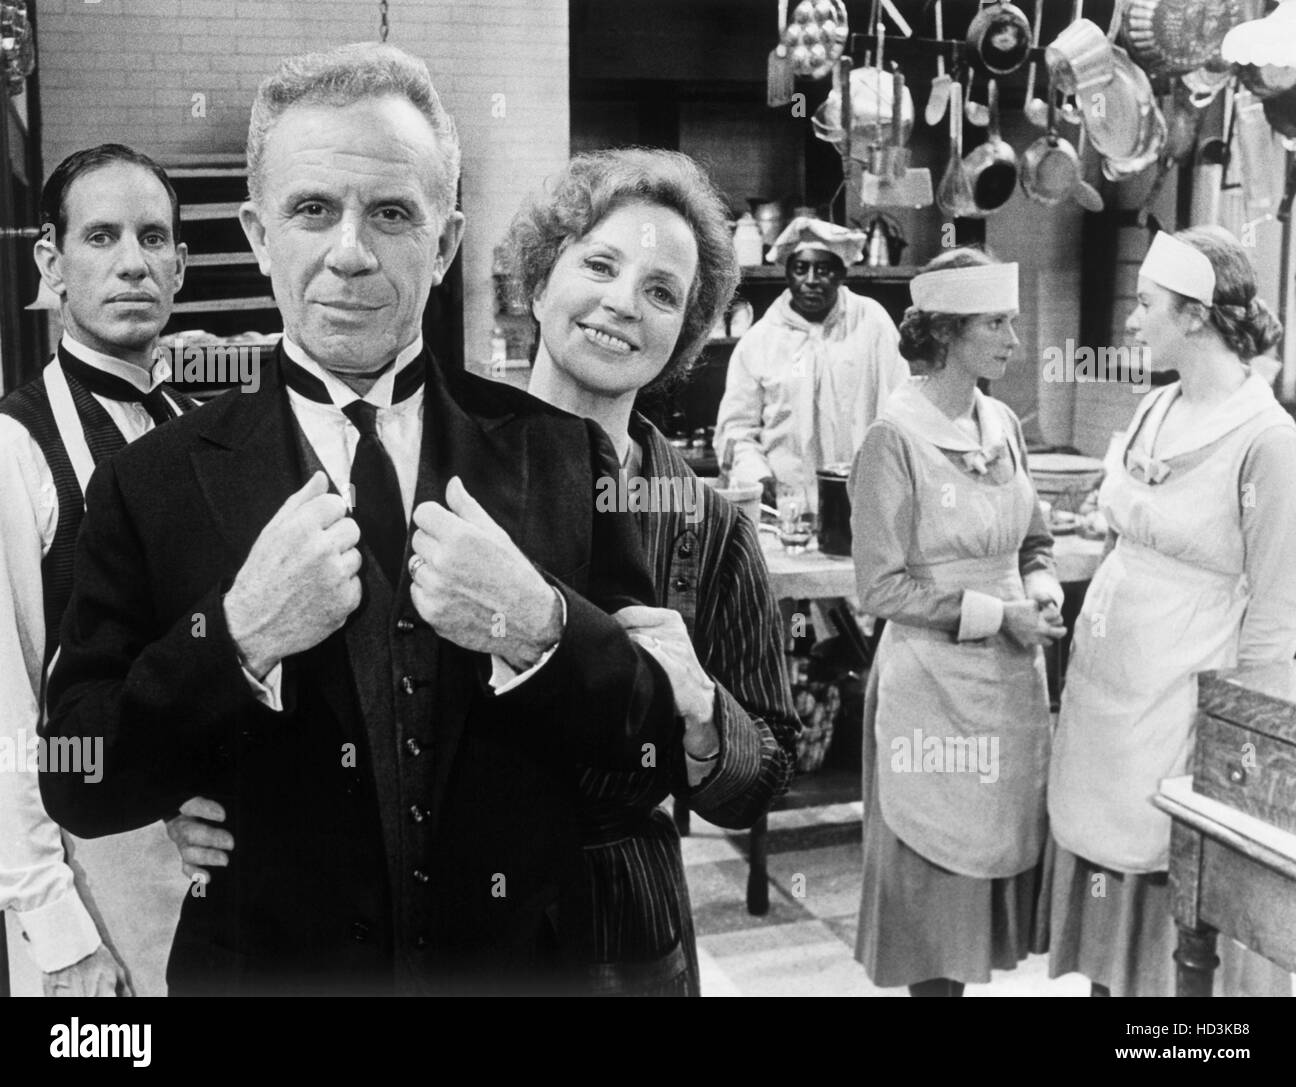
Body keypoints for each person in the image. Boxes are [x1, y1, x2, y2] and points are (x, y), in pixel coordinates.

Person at [39, 43, 680, 997]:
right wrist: (236, 639)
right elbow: (80, 775)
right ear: (259, 235)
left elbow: (653, 745)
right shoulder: (150, 481)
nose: (349, 251)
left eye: (390, 213)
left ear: (448, 239)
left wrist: (542, 628)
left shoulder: (560, 456)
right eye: (311, 211)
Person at [509, 148, 799, 994]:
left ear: (684, 336)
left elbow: (762, 774)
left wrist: (704, 708)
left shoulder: (709, 532)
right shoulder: (431, 477)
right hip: (452, 921)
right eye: (599, 264)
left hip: (627, 926)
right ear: (538, 283)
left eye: (661, 291)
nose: (622, 303)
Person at [1045, 227, 1296, 997]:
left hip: (1184, 707)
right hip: (1110, 702)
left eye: (1145, 304)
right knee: (1110, 883)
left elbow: (1279, 613)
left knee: (1177, 910)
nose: (1130, 319)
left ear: (1195, 316)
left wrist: (1238, 752)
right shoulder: (1156, 404)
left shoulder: (1267, 441)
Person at [0, 144, 193, 997]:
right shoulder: (13, 446)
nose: (132, 263)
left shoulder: (202, 425)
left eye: (153, 238)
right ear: (52, 260)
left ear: (181, 266)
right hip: (90, 878)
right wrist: (56, 929)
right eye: (103, 236)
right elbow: (4, 710)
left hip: (216, 863)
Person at [850, 248, 1065, 997]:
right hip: (931, 689)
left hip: (1006, 686)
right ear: (945, 331)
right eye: (995, 322)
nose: (1014, 337)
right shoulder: (893, 437)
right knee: (934, 900)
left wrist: (1040, 588)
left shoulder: (1001, 421)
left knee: (981, 884)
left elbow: (1034, 538)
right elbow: (880, 587)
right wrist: (997, 615)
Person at [714, 215, 908, 513]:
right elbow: (736, 430)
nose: (812, 280)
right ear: (788, 274)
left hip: (863, 503)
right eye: (801, 269)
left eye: (824, 270)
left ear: (842, 274)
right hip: (787, 506)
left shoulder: (871, 323)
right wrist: (757, 476)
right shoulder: (759, 341)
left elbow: (903, 405)